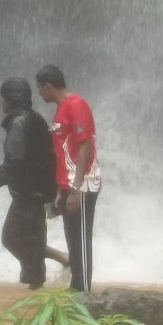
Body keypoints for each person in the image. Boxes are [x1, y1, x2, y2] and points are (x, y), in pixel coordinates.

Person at [0, 77, 56, 288]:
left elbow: (14, 162)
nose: (1, 102)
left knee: (12, 239)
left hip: (28, 195)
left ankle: (37, 283)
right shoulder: (36, 119)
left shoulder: (19, 123)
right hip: (38, 193)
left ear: (10, 99)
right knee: (32, 241)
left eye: (3, 98)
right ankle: (36, 289)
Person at [36, 65, 101, 293]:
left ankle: (83, 292)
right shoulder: (61, 109)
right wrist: (60, 189)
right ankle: (76, 288)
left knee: (81, 239)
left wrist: (75, 189)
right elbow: (63, 152)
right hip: (69, 185)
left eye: (40, 89)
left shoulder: (75, 105)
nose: (39, 94)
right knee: (72, 239)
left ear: (48, 86)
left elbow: (84, 147)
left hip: (82, 185)